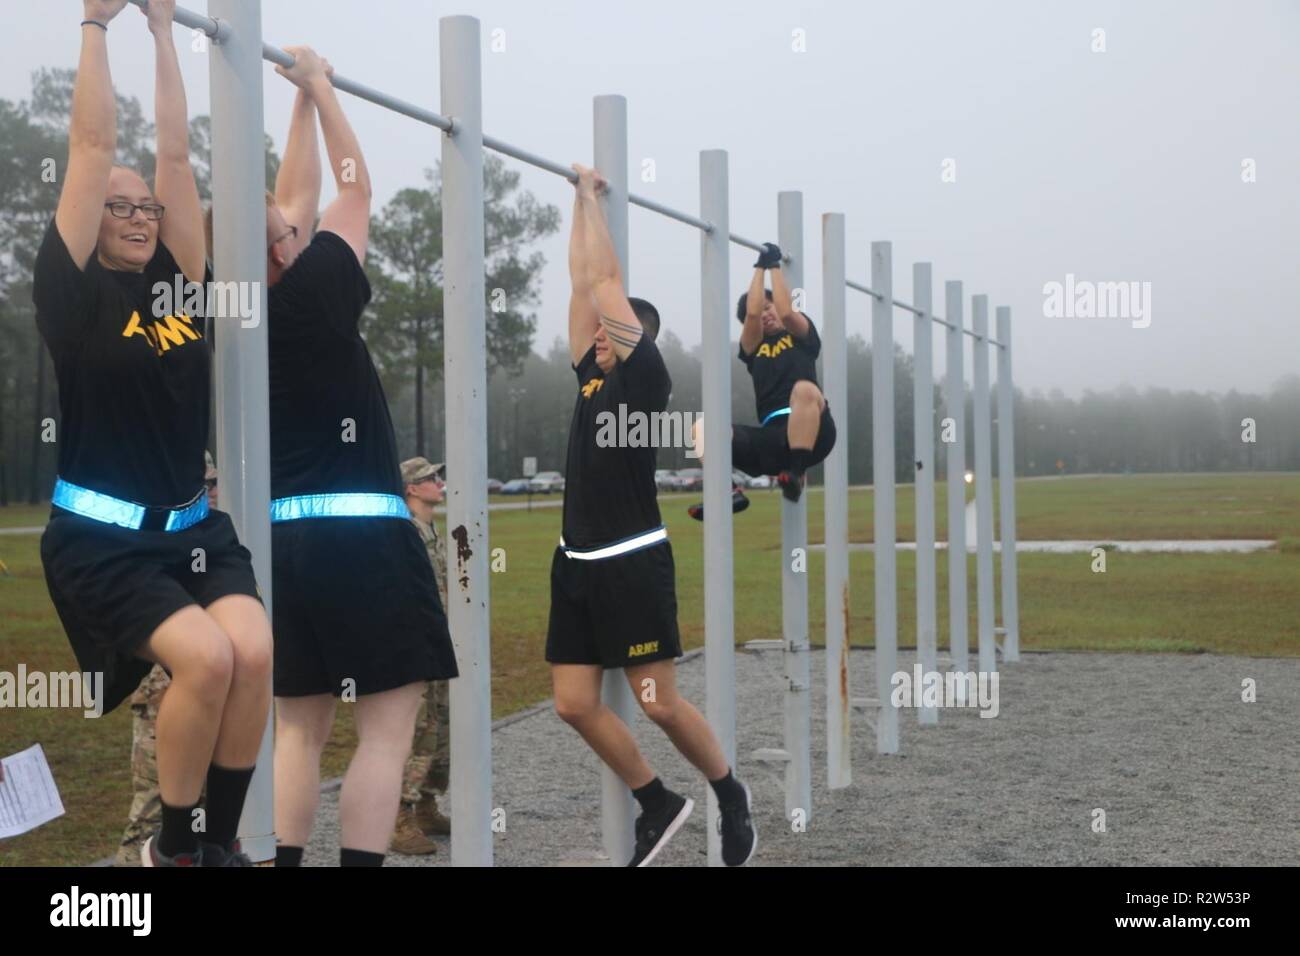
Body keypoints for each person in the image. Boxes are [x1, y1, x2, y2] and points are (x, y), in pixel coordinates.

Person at [36, 0, 271, 868]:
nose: (138, 216)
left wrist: (168, 34)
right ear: (91, 219)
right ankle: (172, 849)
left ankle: (219, 842)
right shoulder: (72, 300)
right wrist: (98, 26)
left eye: (146, 209)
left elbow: (175, 156)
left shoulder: (181, 285)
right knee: (206, 660)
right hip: (102, 542)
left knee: (253, 649)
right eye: (119, 208)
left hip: (192, 530)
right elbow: (93, 151)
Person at [247, 46, 458, 868]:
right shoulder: (318, 289)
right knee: (386, 732)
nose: (302, 230)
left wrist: (296, 105)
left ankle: (286, 862)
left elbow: (291, 201)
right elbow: (353, 189)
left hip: (283, 547)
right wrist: (328, 93)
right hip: (364, 539)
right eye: (291, 234)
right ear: (284, 251)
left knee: (299, 729)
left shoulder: (235, 311)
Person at [547, 164, 757, 866]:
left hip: (632, 563)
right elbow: (584, 287)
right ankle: (658, 802)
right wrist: (579, 199)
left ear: (637, 337)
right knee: (573, 703)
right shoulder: (593, 375)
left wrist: (596, 204)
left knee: (658, 701)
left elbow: (605, 288)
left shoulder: (645, 383)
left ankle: (729, 792)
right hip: (575, 564)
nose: (599, 335)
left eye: (614, 331)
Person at [115, 450, 218, 867]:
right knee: (152, 807)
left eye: (213, 484)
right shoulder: (154, 536)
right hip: (163, 690)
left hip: (206, 691)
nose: (213, 492)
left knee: (199, 808)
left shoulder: (213, 536)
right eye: (206, 485)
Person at [688, 242, 837, 518]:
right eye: (759, 313)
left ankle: (796, 472)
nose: (766, 314)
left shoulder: (801, 337)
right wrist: (760, 267)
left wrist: (774, 267)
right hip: (771, 440)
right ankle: (726, 492)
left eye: (770, 307)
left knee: (804, 389)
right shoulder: (753, 349)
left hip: (813, 432)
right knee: (703, 426)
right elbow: (753, 313)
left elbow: (787, 311)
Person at [392, 456, 453, 855]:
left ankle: (427, 803)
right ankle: (396, 818)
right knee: (413, 730)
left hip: (440, 642)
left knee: (441, 729)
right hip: (415, 645)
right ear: (411, 488)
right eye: (430, 478)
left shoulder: (433, 529)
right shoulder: (404, 532)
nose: (439, 482)